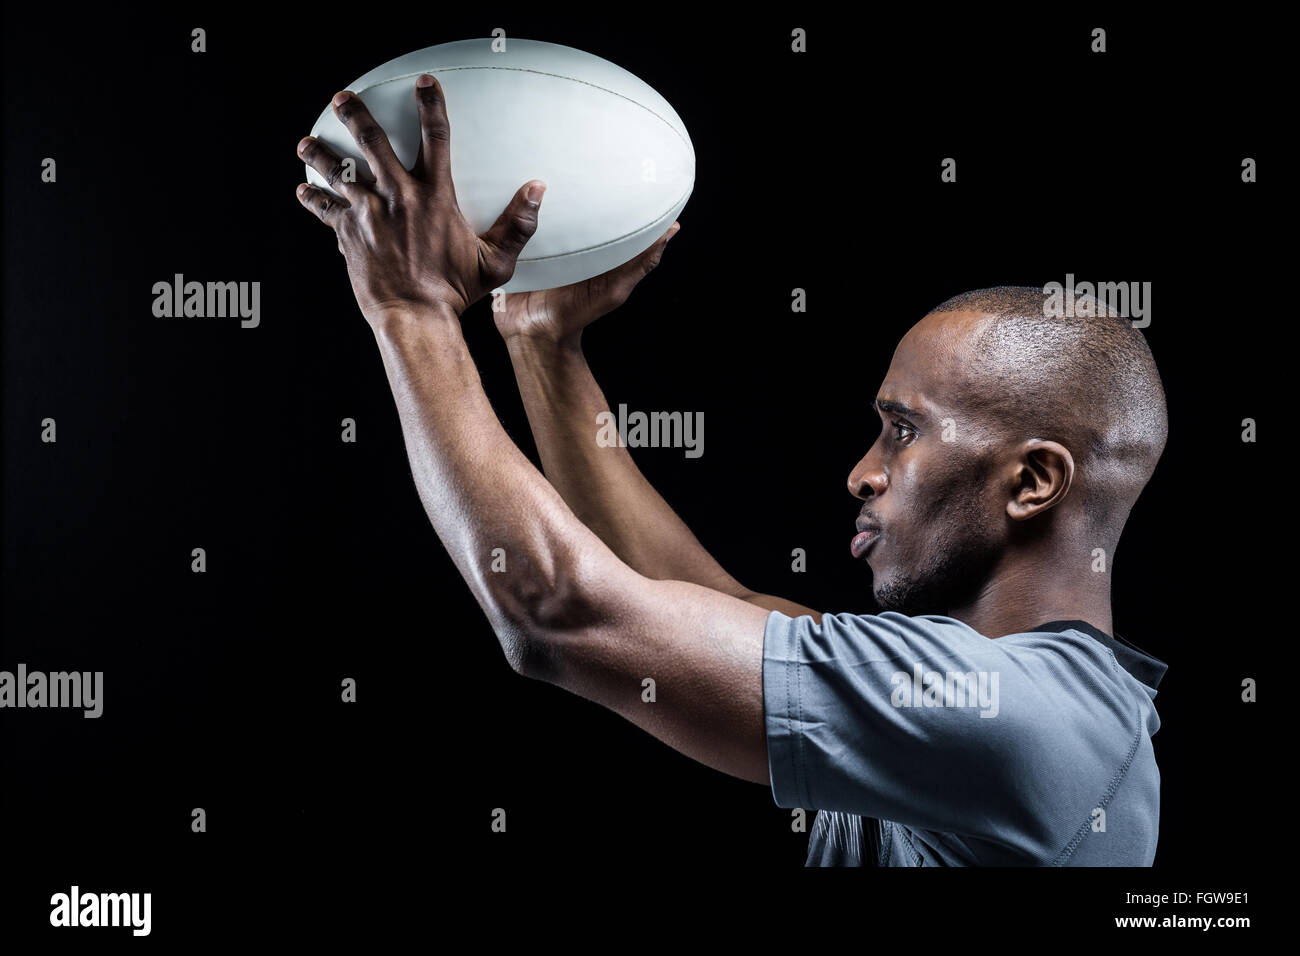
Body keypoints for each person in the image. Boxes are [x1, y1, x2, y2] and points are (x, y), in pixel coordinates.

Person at [295, 75, 1168, 866]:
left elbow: (562, 612)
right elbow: (693, 599)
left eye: (903, 432)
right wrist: (541, 343)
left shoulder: (1017, 717)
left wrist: (411, 310)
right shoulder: (1009, 698)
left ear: (1032, 483)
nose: (862, 474)